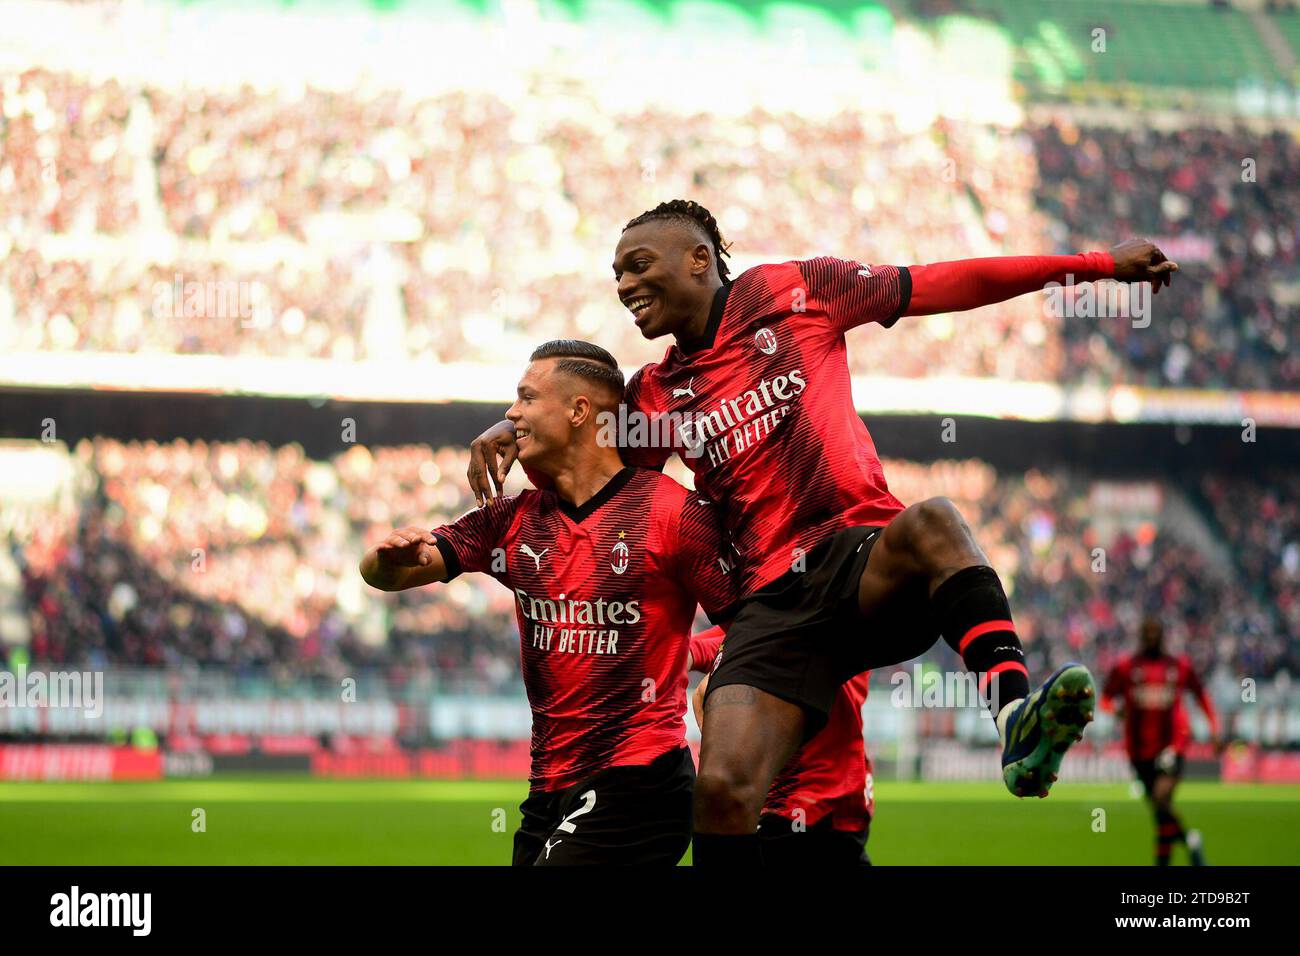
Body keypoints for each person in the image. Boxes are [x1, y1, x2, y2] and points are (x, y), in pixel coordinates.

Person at [468, 199, 1177, 865]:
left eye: (638, 264)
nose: (624, 284)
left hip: (857, 560)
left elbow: (945, 282)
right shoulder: (653, 394)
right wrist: (516, 427)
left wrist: (1094, 265)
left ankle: (1015, 714)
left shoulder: (798, 291)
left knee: (934, 520)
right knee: (721, 792)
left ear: (699, 258)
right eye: (617, 272)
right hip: (771, 607)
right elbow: (593, 473)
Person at [363, 339, 737, 865]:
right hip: (549, 788)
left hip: (641, 780)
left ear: (579, 411)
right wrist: (387, 559)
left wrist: (709, 671)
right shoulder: (510, 519)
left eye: (526, 397)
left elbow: (749, 623)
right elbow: (387, 575)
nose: (511, 413)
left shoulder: (673, 514)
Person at [689, 624, 874, 866]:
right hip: (812, 807)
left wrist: (725, 666)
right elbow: (729, 636)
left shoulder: (819, 622)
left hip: (812, 806)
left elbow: (767, 633)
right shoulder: (769, 622)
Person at [1103, 616, 1221, 866]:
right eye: (1147, 635)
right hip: (1138, 751)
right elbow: (1105, 698)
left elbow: (1201, 695)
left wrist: (1214, 729)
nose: (1151, 639)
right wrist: (1116, 710)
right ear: (1141, 638)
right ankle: (1190, 841)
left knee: (1160, 798)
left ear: (1162, 637)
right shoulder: (1126, 667)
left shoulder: (1178, 666)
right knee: (1160, 812)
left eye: (1155, 634)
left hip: (1172, 745)